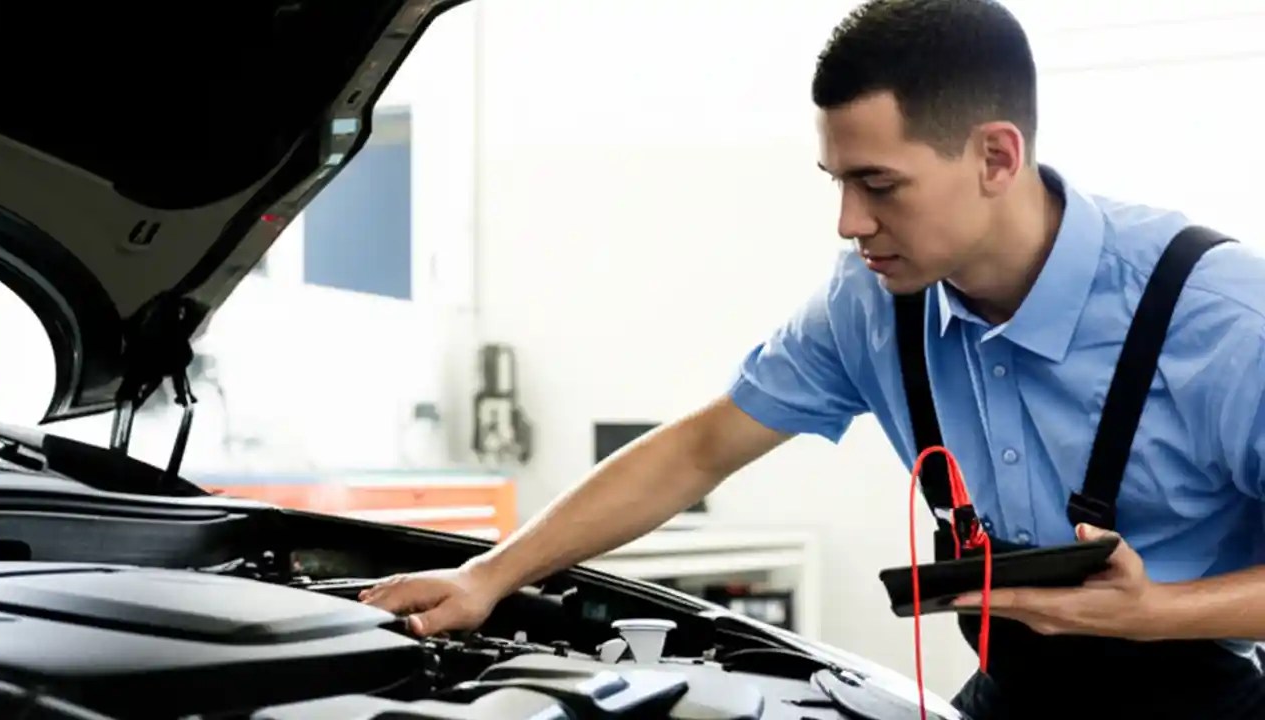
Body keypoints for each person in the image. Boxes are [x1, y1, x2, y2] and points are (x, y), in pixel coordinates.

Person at [361, 0, 1265, 716]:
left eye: (880, 185)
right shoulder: (870, 303)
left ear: (996, 156)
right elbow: (700, 448)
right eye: (838, 181)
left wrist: (1156, 613)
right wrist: (487, 576)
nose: (850, 223)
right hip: (1016, 690)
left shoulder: (1220, 317)